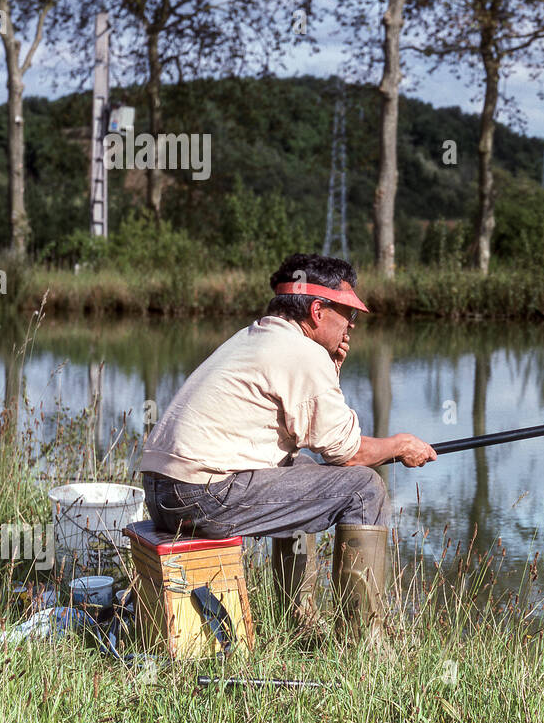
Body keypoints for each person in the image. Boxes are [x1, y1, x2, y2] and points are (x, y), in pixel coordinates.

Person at [138, 253, 437, 643]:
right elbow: (347, 452)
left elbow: (316, 438)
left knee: (303, 471)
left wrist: (331, 369)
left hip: (163, 493)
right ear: (317, 310)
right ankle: (366, 645)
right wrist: (401, 445)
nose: (351, 326)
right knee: (365, 487)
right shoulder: (301, 352)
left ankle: (299, 625)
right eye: (348, 314)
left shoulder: (259, 337)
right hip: (201, 495)